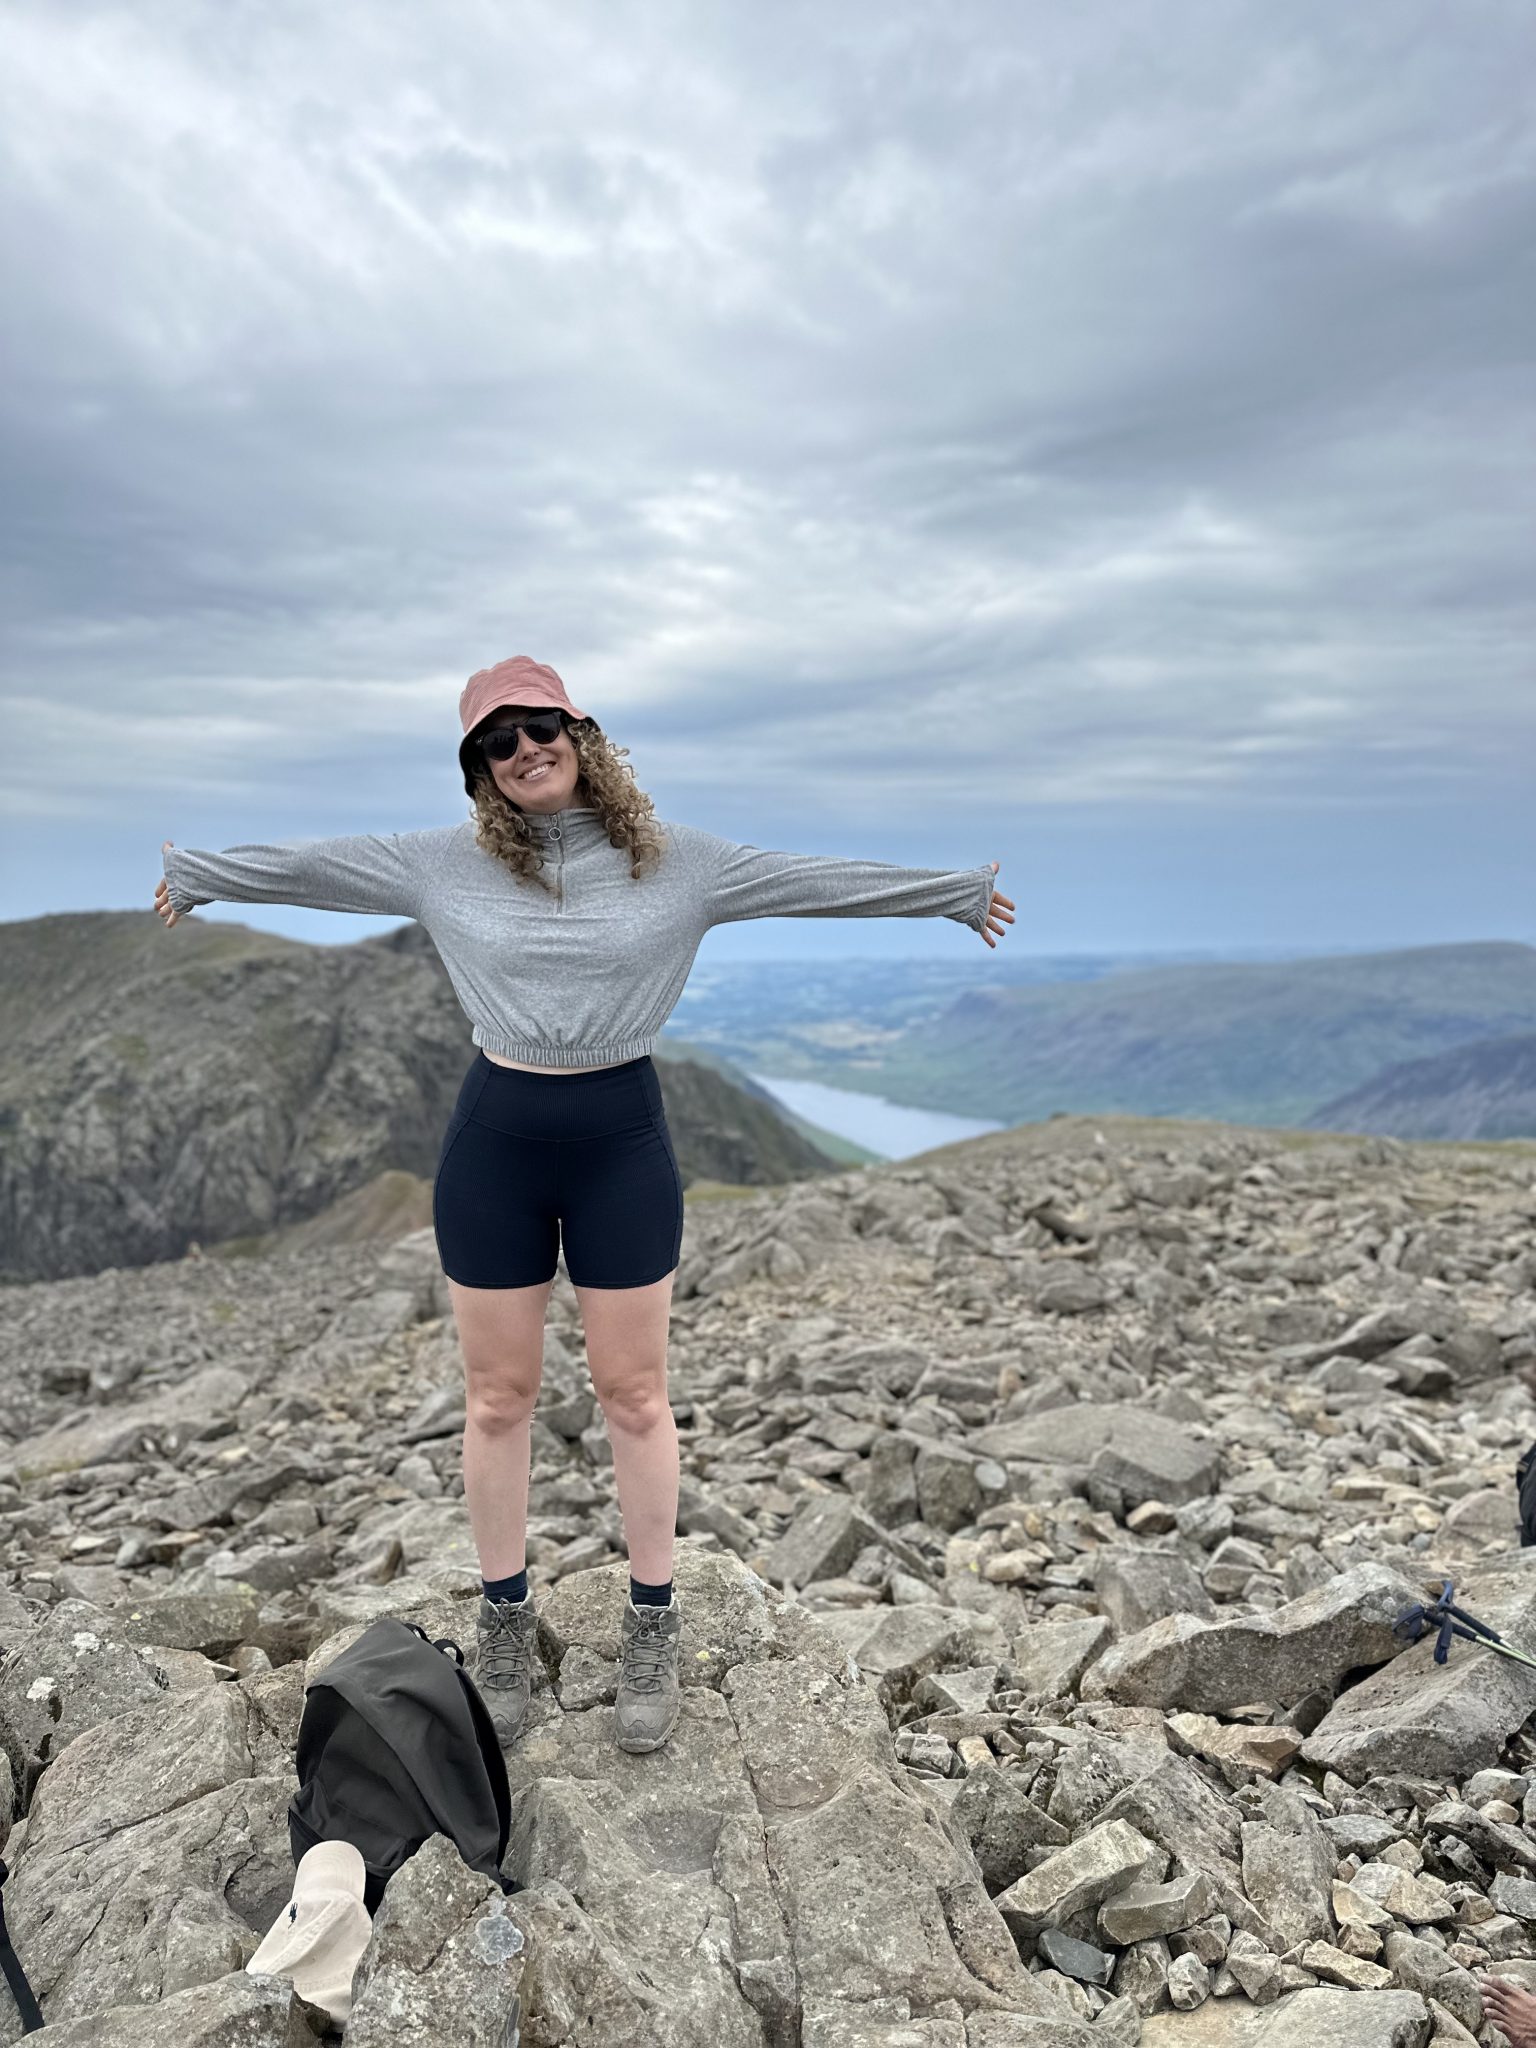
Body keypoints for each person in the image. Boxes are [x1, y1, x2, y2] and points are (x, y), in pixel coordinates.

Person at [155, 655, 1014, 1754]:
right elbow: (319, 865)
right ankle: (504, 1619)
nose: (523, 749)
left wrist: (947, 893)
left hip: (622, 1141)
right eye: (496, 742)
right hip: (494, 1143)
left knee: (636, 1395)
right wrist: (199, 871)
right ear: (480, 771)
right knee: (499, 1398)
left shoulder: (682, 863)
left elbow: (809, 876)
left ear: (580, 729)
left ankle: (649, 1626)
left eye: (538, 725)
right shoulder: (445, 864)